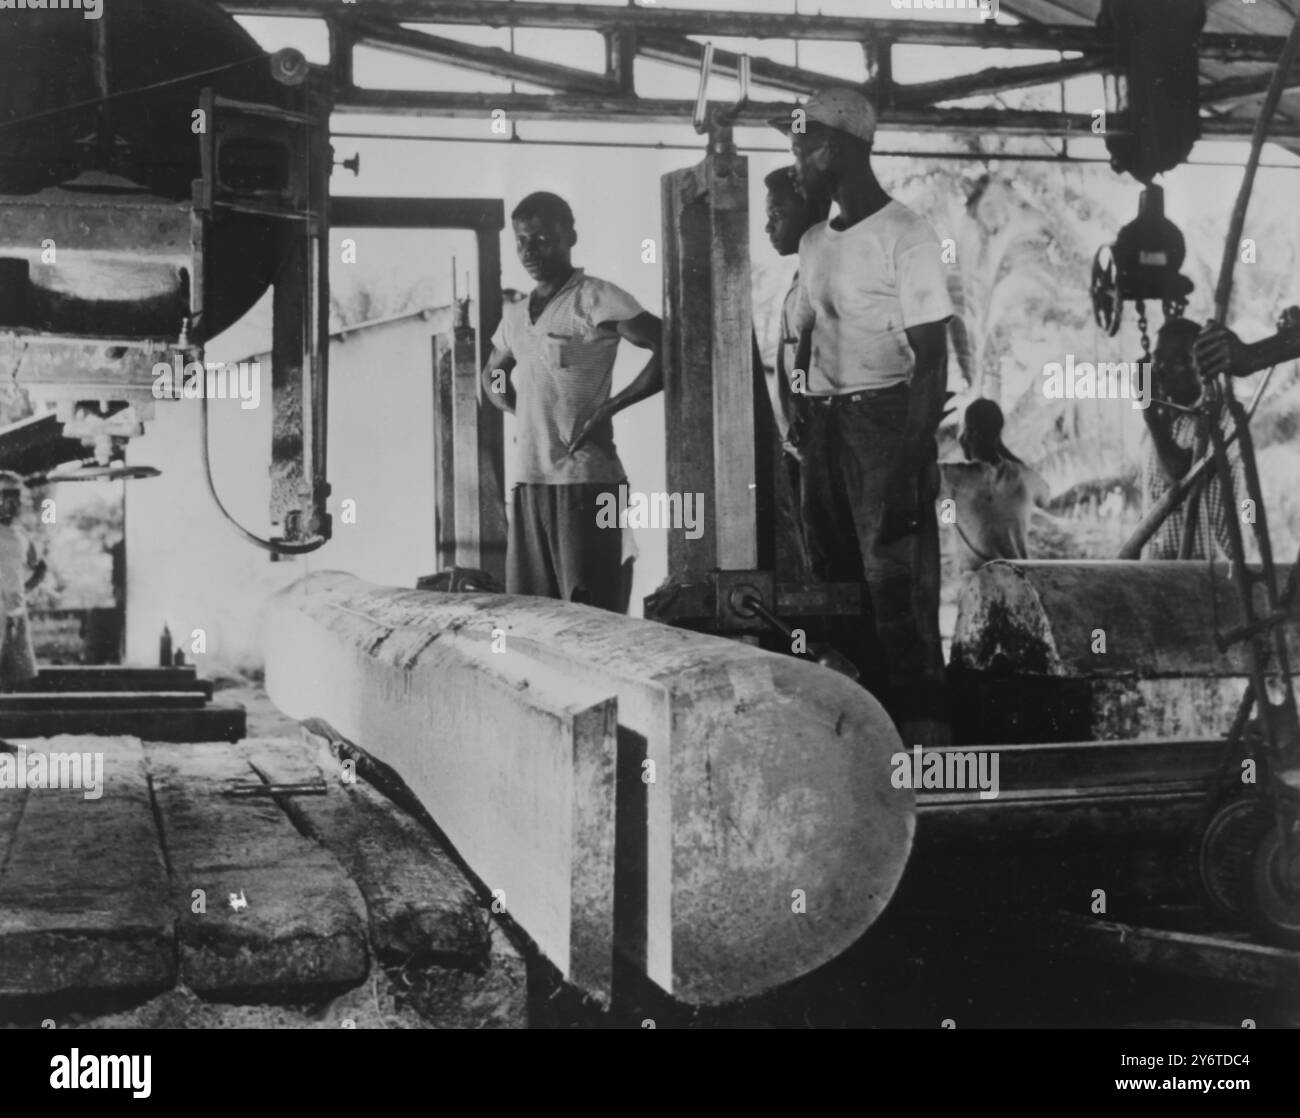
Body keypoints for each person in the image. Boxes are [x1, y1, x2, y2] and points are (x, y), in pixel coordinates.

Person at [771, 88, 954, 728]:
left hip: (884, 423)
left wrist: (908, 463)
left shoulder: (907, 234)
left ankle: (924, 750)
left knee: (895, 588)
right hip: (823, 427)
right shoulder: (815, 242)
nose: (795, 163)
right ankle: (861, 742)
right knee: (834, 586)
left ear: (839, 148)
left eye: (801, 147)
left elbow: (933, 358)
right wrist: (800, 412)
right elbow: (805, 332)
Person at [481, 192, 662, 612]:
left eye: (542, 239)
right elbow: (492, 375)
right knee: (531, 615)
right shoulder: (516, 314)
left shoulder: (594, 297)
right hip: (530, 484)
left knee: (593, 614)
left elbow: (669, 345)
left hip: (587, 483)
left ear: (570, 237)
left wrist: (609, 408)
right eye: (522, 241)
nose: (530, 251)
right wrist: (521, 412)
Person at [760, 164, 831, 576]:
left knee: (827, 554)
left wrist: (801, 406)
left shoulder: (824, 267)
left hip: (818, 437)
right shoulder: (800, 273)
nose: (769, 227)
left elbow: (810, 346)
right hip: (803, 443)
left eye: (778, 213)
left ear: (814, 207)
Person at [1144, 317, 1245, 560]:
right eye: (1158, 358)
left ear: (1205, 367)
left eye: (1180, 360)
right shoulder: (1166, 421)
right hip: (1163, 571)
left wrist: (1150, 415)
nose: (1163, 368)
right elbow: (1154, 500)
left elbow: (1181, 478)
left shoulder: (1220, 418)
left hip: (1208, 575)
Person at [940, 399, 1050, 573]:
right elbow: (1045, 498)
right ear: (998, 434)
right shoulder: (1025, 477)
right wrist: (999, 446)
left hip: (976, 589)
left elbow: (920, 468)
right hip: (1019, 583)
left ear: (968, 434)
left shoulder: (951, 477)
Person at [0, 472, 45, 691]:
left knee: (16, 679)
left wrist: (25, 590)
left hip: (16, 615)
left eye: (16, 499)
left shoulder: (21, 535)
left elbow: (39, 566)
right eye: (7, 497)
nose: (13, 504)